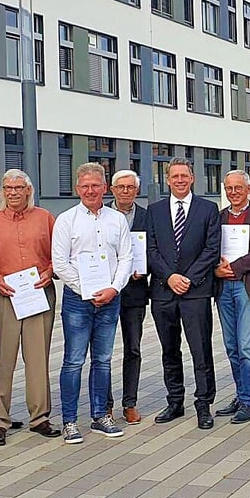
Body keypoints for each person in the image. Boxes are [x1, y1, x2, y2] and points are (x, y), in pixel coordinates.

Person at [0, 169, 61, 446]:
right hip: (5, 296)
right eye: (7, 188)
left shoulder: (45, 218)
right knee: (3, 360)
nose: (12, 192)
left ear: (28, 190)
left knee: (38, 358)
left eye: (18, 188)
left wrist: (50, 272)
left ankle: (40, 417)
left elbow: (58, 254)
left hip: (38, 293)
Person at [53, 163, 133, 444]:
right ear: (78, 189)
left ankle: (100, 416)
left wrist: (113, 288)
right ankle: (70, 421)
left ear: (104, 188)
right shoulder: (66, 220)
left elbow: (126, 258)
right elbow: (60, 263)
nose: (90, 190)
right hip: (78, 300)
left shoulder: (117, 220)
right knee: (73, 361)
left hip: (110, 299)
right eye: (85, 186)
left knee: (103, 360)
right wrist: (85, 289)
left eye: (95, 185)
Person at [146, 158, 221, 430]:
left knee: (200, 349)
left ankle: (203, 404)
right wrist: (170, 276)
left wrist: (188, 278)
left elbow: (212, 249)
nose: (179, 180)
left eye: (184, 176)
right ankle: (175, 401)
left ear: (192, 179)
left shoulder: (208, 209)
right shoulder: (153, 211)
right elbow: (150, 250)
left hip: (196, 291)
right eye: (174, 176)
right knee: (169, 350)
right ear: (167, 179)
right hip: (164, 292)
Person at [214, 170, 250, 425]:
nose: (234, 192)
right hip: (223, 289)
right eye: (229, 188)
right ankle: (240, 395)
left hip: (247, 287)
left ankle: (248, 401)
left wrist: (234, 267)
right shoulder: (218, 218)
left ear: (248, 189)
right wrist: (217, 268)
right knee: (231, 346)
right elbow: (209, 248)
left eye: (238, 188)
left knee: (247, 347)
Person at [105, 169, 150, 425]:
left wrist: (144, 270)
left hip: (135, 292)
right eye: (120, 187)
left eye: (130, 187)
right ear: (112, 189)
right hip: (108, 291)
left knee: (133, 348)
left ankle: (129, 402)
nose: (125, 191)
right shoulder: (103, 216)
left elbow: (153, 250)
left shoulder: (147, 216)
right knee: (105, 351)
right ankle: (107, 403)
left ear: (136, 190)